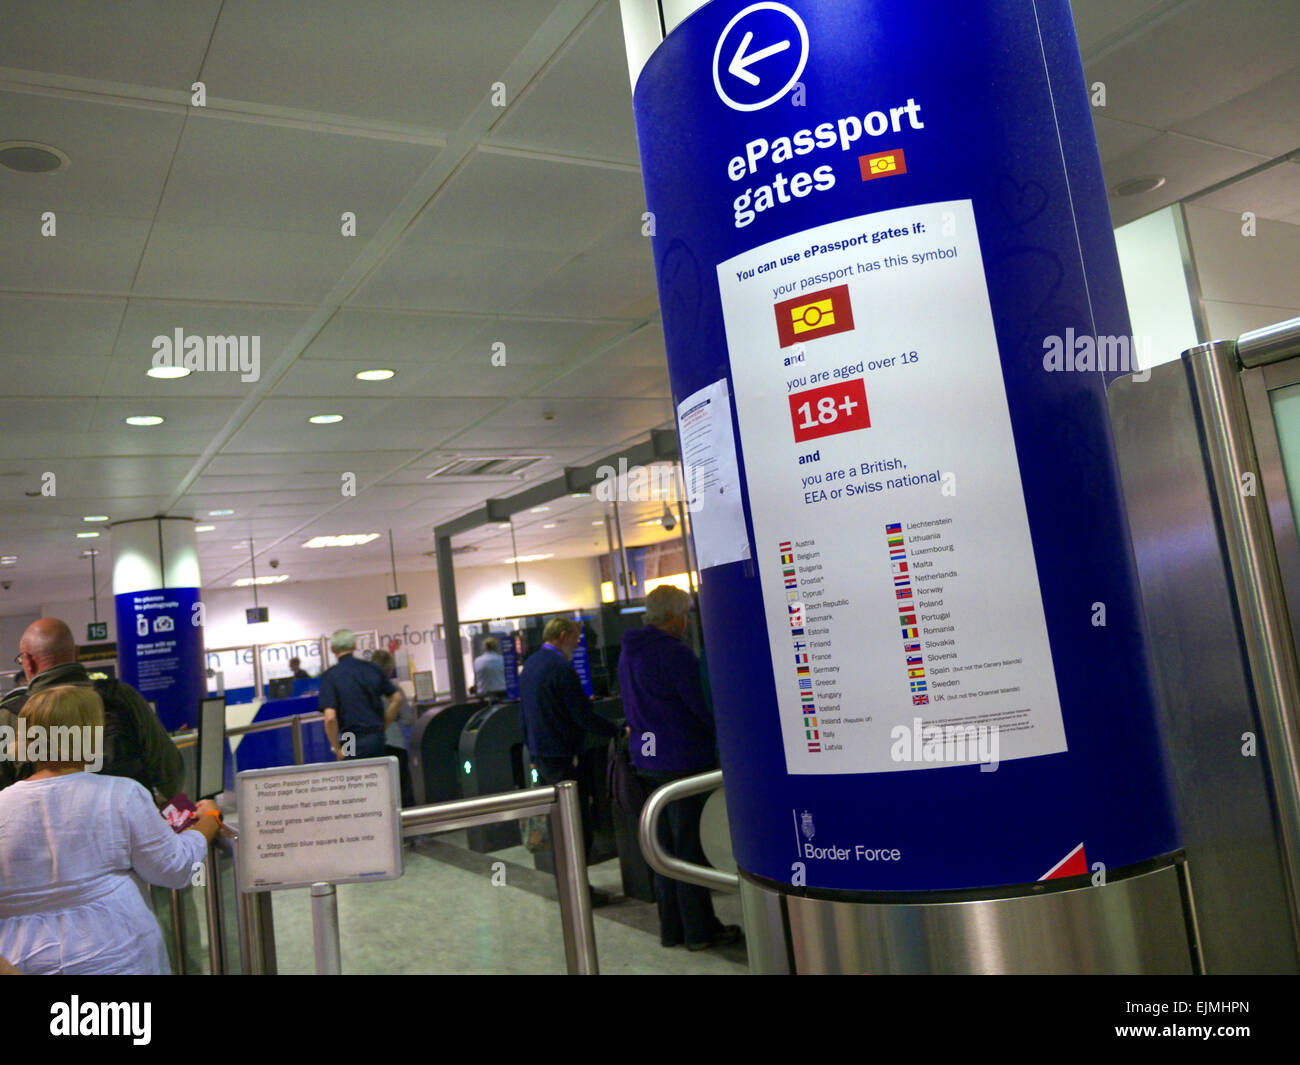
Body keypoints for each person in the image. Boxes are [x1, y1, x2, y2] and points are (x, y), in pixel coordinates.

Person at [0, 685, 223, 975]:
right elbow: (174, 869)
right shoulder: (121, 794)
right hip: (117, 953)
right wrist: (208, 821)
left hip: (21, 959)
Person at [619, 585, 741, 951]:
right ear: (673, 617)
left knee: (662, 851)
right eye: (685, 612)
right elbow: (701, 707)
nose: (687, 620)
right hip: (682, 763)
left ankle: (671, 929)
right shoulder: (674, 654)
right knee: (688, 852)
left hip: (647, 762)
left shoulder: (629, 653)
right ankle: (700, 931)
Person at [0, 618, 183, 797]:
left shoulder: (10, 716)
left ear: (28, 661)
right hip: (126, 824)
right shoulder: (121, 698)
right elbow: (170, 775)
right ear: (77, 653)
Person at [518, 618, 620, 888]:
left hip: (542, 755)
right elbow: (582, 716)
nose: (578, 643)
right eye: (576, 637)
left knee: (559, 823)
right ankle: (579, 888)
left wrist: (532, 750)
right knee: (577, 824)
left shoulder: (530, 665)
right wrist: (617, 732)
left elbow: (525, 715)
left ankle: (568, 884)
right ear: (563, 636)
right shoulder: (561, 668)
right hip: (565, 757)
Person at [319, 630, 402, 760]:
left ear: (332, 649)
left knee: (354, 777)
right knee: (378, 777)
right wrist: (383, 725)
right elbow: (396, 699)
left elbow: (330, 718)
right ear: (354, 645)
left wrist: (336, 748)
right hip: (376, 738)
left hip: (349, 738)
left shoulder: (330, 676)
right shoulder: (372, 669)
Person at [369, 649, 415, 806]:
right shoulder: (395, 690)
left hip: (373, 746)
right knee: (402, 790)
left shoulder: (364, 691)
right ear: (389, 670)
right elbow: (408, 720)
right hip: (396, 745)